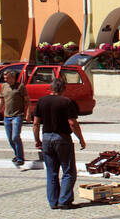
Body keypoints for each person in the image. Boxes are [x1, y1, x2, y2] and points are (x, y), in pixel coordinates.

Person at [31, 78, 86, 209]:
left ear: (51, 88)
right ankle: (64, 201)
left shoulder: (41, 101)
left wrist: (37, 139)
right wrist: (81, 139)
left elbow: (35, 123)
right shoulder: (66, 102)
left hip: (46, 137)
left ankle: (53, 201)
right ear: (63, 89)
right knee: (68, 171)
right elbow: (73, 123)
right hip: (62, 138)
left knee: (51, 172)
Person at [0, 68, 28, 167]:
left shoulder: (20, 87)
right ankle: (17, 155)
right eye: (4, 78)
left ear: (13, 77)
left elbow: (27, 101)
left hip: (17, 115)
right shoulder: (4, 86)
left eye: (7, 78)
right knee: (10, 139)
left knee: (15, 136)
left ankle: (20, 158)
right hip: (7, 116)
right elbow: (1, 100)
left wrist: (28, 113)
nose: (5, 79)